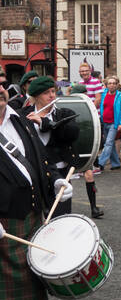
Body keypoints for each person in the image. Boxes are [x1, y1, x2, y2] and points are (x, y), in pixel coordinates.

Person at [0, 81, 73, 300]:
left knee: (25, 298)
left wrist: (54, 181)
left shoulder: (17, 119)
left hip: (25, 219)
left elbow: (38, 160)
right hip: (3, 224)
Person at [22, 76, 80, 217]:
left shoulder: (64, 114)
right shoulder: (23, 115)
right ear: (36, 96)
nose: (52, 95)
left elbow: (72, 134)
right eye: (46, 92)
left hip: (60, 171)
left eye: (53, 91)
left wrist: (44, 122)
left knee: (61, 215)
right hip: (34, 172)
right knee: (37, 216)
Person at [65, 85, 104, 218]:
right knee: (66, 178)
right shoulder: (68, 107)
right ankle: (65, 210)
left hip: (81, 146)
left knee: (89, 175)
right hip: (68, 148)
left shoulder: (86, 108)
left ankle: (94, 208)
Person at [96, 75, 121, 169]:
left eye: (114, 83)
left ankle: (100, 163)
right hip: (105, 122)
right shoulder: (104, 94)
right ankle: (116, 164)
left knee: (109, 143)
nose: (112, 85)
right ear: (106, 85)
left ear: (117, 85)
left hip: (114, 124)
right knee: (110, 144)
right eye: (110, 83)